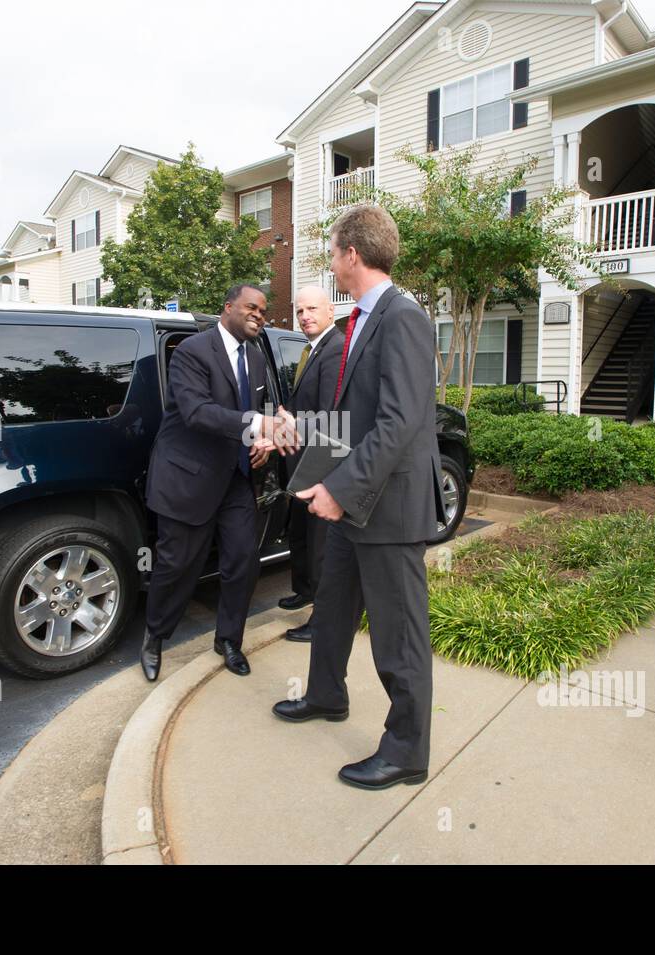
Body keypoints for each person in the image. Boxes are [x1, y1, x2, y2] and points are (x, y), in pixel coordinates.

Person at [271, 204, 445, 790]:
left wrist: (341, 492)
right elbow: (357, 417)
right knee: (335, 606)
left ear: (352, 254)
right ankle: (326, 695)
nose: (332, 262)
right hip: (354, 500)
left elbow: (398, 423)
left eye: (334, 252)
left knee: (400, 638)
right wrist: (315, 473)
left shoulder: (401, 317)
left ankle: (406, 752)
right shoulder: (362, 319)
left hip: (389, 509)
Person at [140, 284, 297, 682]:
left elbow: (253, 412)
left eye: (264, 310)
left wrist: (261, 441)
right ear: (227, 308)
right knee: (176, 567)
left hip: (236, 479)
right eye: (251, 307)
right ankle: (155, 637)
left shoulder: (258, 358)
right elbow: (197, 413)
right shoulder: (192, 352)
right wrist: (259, 425)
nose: (259, 315)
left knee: (243, 563)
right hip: (188, 479)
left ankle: (228, 640)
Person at [278, 286, 346, 642]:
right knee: (301, 533)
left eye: (312, 309)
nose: (305, 316)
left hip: (321, 463)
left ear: (331, 312)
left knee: (321, 544)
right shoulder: (311, 349)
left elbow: (332, 418)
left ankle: (322, 618)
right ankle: (304, 590)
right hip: (301, 460)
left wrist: (295, 424)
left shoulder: (334, 350)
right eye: (300, 310)